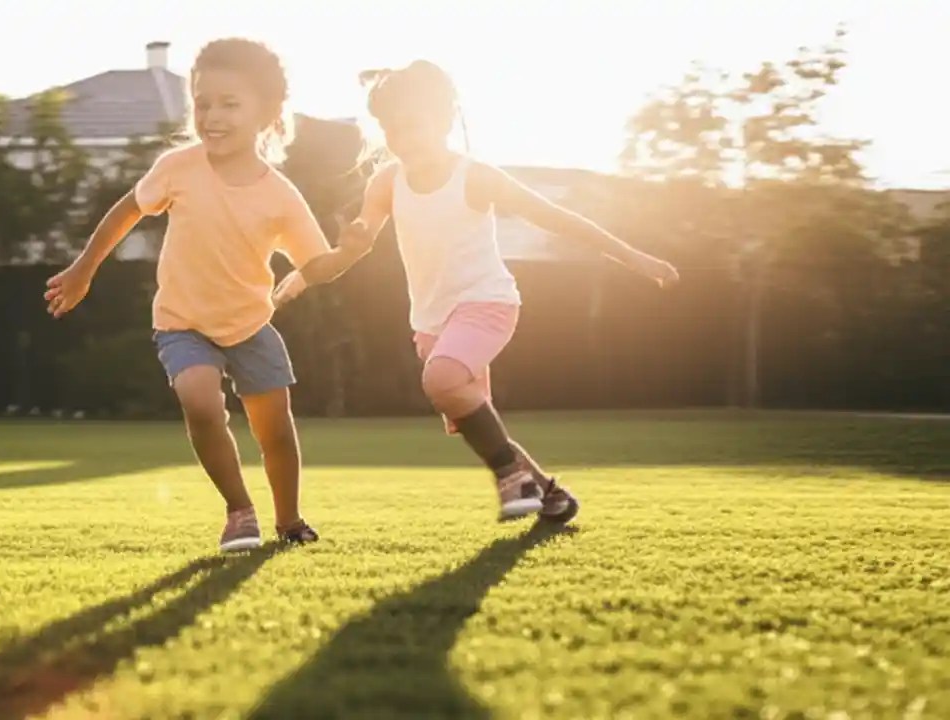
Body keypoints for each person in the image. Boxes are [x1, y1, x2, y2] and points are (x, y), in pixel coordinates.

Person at [276, 60, 680, 524]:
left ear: (444, 120)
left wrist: (638, 260)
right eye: (390, 128)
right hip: (431, 322)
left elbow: (558, 219)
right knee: (471, 410)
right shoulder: (386, 182)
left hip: (487, 303)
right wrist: (309, 273)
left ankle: (510, 480)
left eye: (412, 125)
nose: (402, 139)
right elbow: (351, 251)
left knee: (441, 381)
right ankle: (550, 495)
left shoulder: (476, 176)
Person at [45, 38, 357, 552]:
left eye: (229, 104)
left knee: (275, 432)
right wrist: (83, 270)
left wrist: (353, 251)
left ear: (268, 113)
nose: (212, 115)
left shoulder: (280, 194)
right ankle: (239, 511)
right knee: (199, 400)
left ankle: (290, 519)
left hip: (251, 326)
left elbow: (316, 266)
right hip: (182, 322)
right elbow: (127, 211)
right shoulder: (178, 168)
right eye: (203, 101)